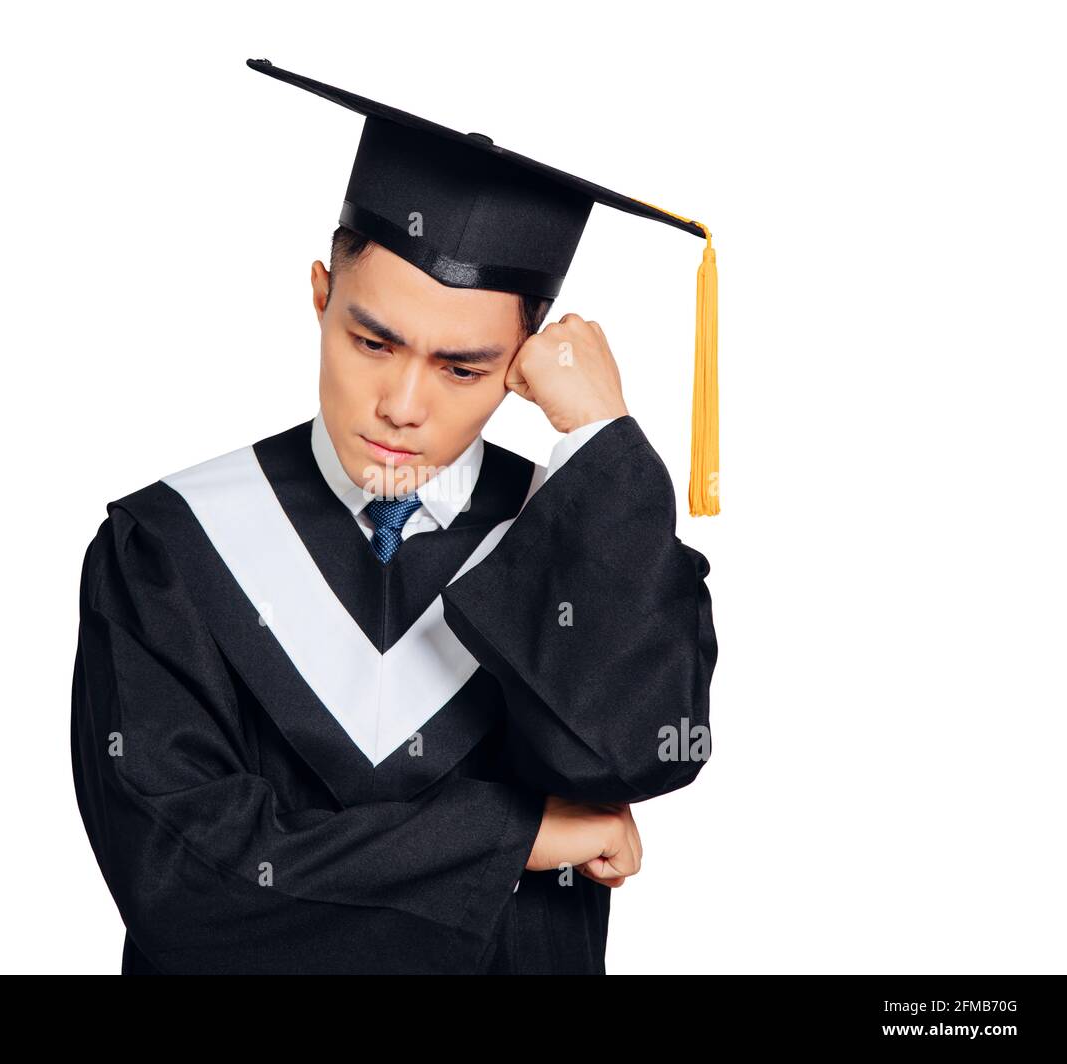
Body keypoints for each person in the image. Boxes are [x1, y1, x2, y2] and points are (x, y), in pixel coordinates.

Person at [70, 59, 720, 975]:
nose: (402, 404)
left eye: (462, 367)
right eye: (372, 342)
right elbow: (182, 881)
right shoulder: (168, 552)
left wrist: (600, 443)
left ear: (521, 361)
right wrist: (512, 836)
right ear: (319, 297)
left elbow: (634, 756)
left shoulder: (572, 536)